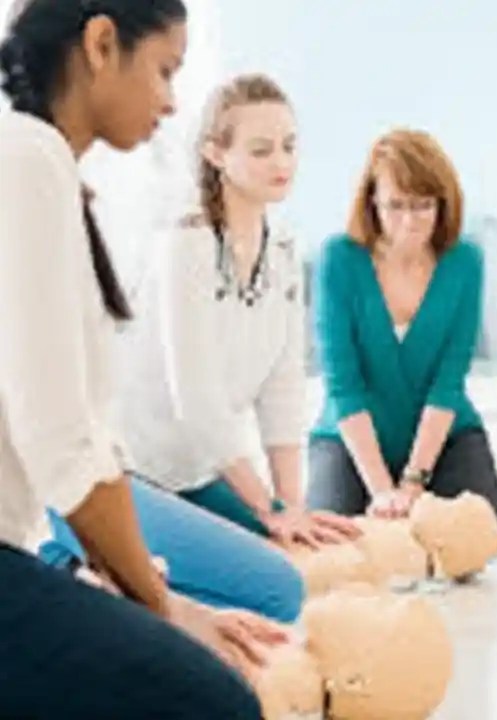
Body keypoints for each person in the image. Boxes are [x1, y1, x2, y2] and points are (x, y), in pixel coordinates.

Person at [0, 1, 277, 716]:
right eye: (164, 70)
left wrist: (150, 599)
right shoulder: (26, 160)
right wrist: (162, 608)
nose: (171, 101)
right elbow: (61, 442)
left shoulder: (38, 162)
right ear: (100, 44)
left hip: (21, 543)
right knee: (217, 702)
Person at [103, 74, 356, 548]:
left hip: (200, 473)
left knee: (286, 555)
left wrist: (291, 508)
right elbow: (197, 401)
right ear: (215, 154)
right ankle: (72, 557)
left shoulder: (283, 250)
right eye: (261, 151)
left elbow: (283, 388)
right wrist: (267, 508)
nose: (281, 162)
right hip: (129, 474)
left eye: (289, 146)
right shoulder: (186, 244)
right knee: (256, 576)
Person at [308, 128, 497, 543]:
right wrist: (383, 492)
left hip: (443, 436)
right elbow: (344, 387)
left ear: (442, 203)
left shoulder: (464, 261)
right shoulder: (338, 260)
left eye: (422, 206)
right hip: (352, 440)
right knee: (332, 543)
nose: (409, 221)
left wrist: (413, 483)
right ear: (372, 202)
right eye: (395, 205)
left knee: (486, 537)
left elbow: (449, 382)